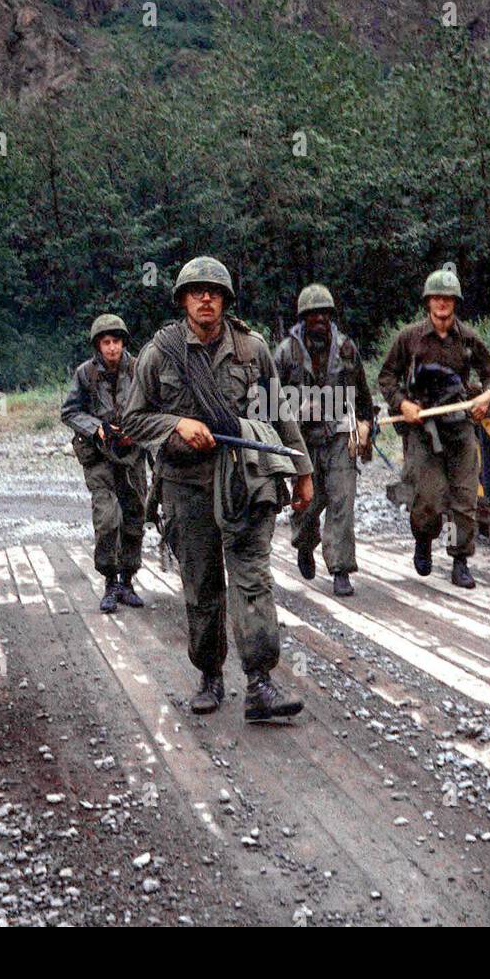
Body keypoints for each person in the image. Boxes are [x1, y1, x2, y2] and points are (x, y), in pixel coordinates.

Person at [121, 256, 315, 722]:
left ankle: (260, 684)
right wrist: (177, 424)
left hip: (245, 481)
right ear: (183, 300)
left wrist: (302, 470)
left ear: (226, 299)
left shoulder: (253, 350)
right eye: (196, 290)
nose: (205, 297)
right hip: (186, 486)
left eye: (214, 291)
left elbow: (278, 412)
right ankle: (210, 675)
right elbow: (132, 420)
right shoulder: (160, 353)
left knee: (252, 581)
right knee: (202, 585)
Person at [377, 269, 490, 589]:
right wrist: (403, 403)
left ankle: (460, 559)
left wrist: (485, 398)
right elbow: (387, 377)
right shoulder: (409, 338)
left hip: (459, 427)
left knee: (464, 498)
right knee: (429, 499)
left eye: (447, 298)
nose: (442, 303)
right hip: (422, 428)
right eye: (436, 298)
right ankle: (423, 539)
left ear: (455, 302)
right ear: (428, 302)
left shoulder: (469, 339)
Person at [273, 283, 374, 597]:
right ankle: (304, 544)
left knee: (342, 501)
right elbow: (270, 398)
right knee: (306, 505)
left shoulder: (346, 349)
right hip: (301, 439)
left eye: (324, 314)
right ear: (303, 318)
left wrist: (366, 423)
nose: (319, 319)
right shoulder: (286, 352)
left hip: (338, 436)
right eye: (312, 314)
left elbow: (363, 393)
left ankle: (341, 568)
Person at [61, 313, 148, 613]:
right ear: (99, 346)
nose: (112, 348)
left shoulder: (139, 370)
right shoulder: (86, 374)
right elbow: (69, 411)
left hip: (132, 455)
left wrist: (135, 431)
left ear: (124, 342)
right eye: (106, 342)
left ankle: (128, 580)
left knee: (135, 517)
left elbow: (154, 407)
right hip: (99, 457)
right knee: (108, 519)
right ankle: (110, 583)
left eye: (117, 341)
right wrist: (96, 427)